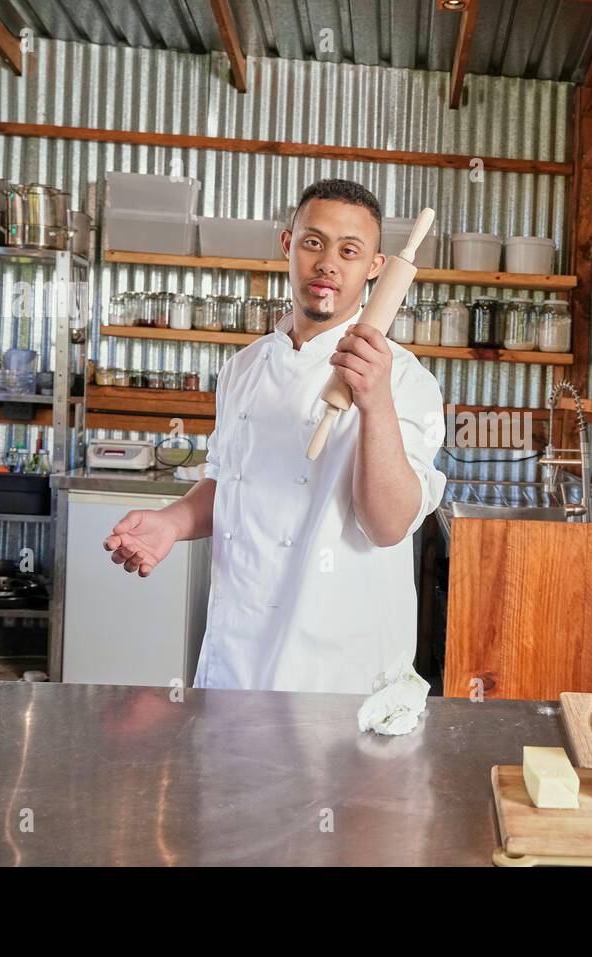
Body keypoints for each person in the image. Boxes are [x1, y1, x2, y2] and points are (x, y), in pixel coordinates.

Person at [103, 179, 446, 693]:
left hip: (338, 672)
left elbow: (389, 526)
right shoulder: (243, 368)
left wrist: (375, 402)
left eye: (350, 251)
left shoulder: (403, 378)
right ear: (289, 245)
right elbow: (233, 483)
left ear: (375, 267)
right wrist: (172, 522)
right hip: (237, 657)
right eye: (314, 242)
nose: (328, 263)